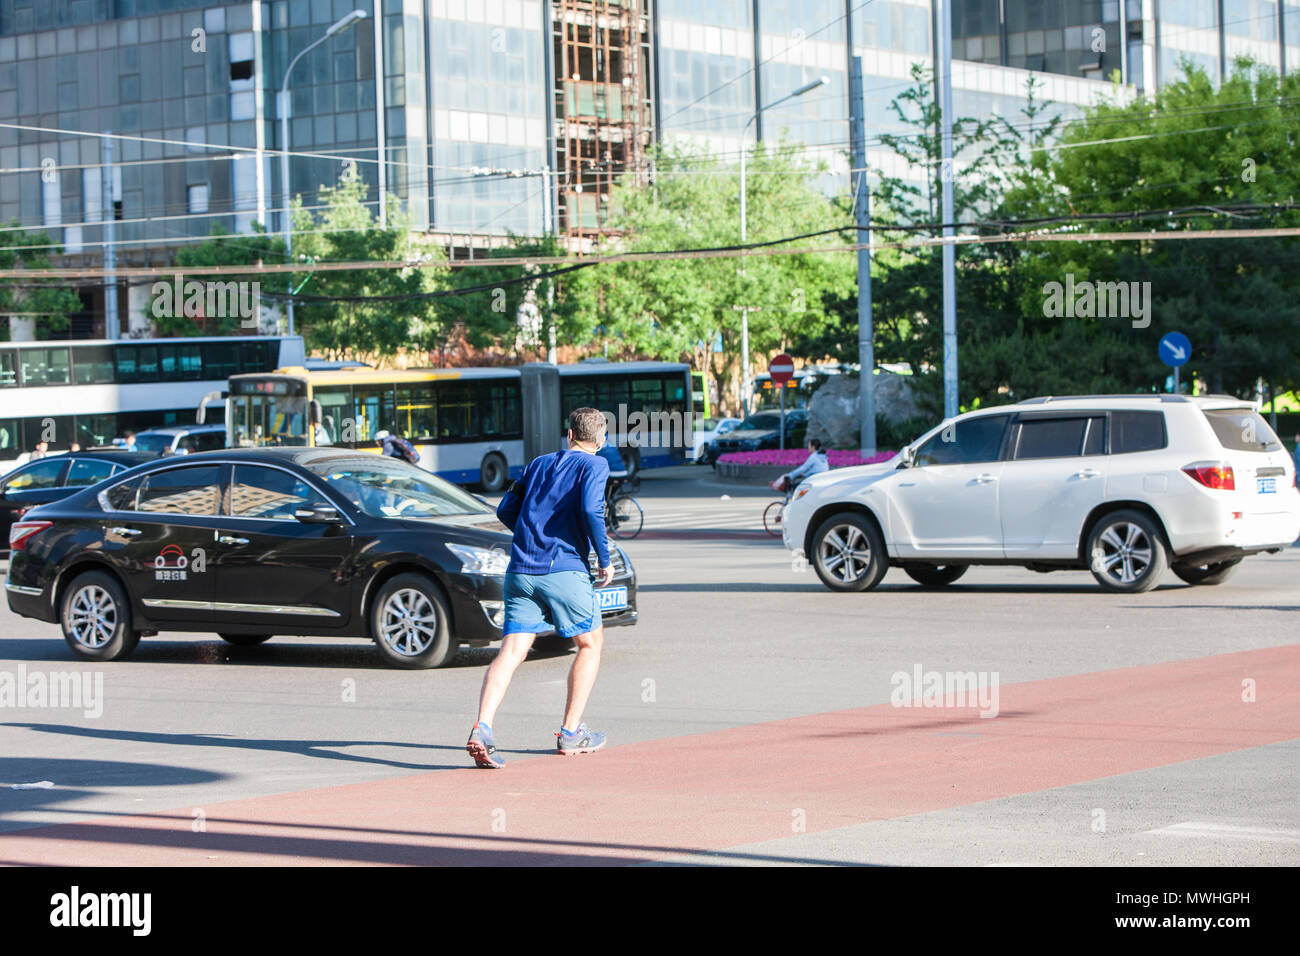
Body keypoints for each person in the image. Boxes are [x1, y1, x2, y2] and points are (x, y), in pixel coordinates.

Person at [467, 407, 615, 769]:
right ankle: (570, 732)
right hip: (564, 569)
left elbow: (506, 510)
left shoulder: (538, 464)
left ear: (569, 434)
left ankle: (482, 728)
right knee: (590, 644)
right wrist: (605, 557)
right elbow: (592, 511)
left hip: (520, 571)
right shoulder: (595, 466)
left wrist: (531, 536)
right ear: (602, 440)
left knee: (512, 650)